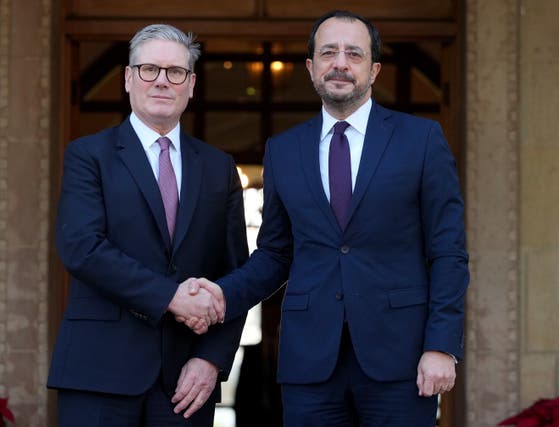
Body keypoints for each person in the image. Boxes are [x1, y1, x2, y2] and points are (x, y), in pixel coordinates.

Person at [185, 10, 470, 426]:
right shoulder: (283, 150)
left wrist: (441, 345)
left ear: (373, 70)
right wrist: (222, 296)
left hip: (401, 359)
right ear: (310, 67)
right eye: (328, 52)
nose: (340, 63)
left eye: (353, 54)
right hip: (310, 364)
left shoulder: (421, 140)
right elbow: (275, 254)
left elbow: (448, 252)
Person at [47, 23, 249, 427]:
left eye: (175, 72)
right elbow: (82, 248)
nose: (161, 81)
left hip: (186, 381)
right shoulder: (88, 155)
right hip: (99, 371)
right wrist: (170, 297)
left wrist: (211, 358)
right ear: (127, 78)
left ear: (190, 84)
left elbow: (235, 276)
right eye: (148, 69)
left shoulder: (218, 167)